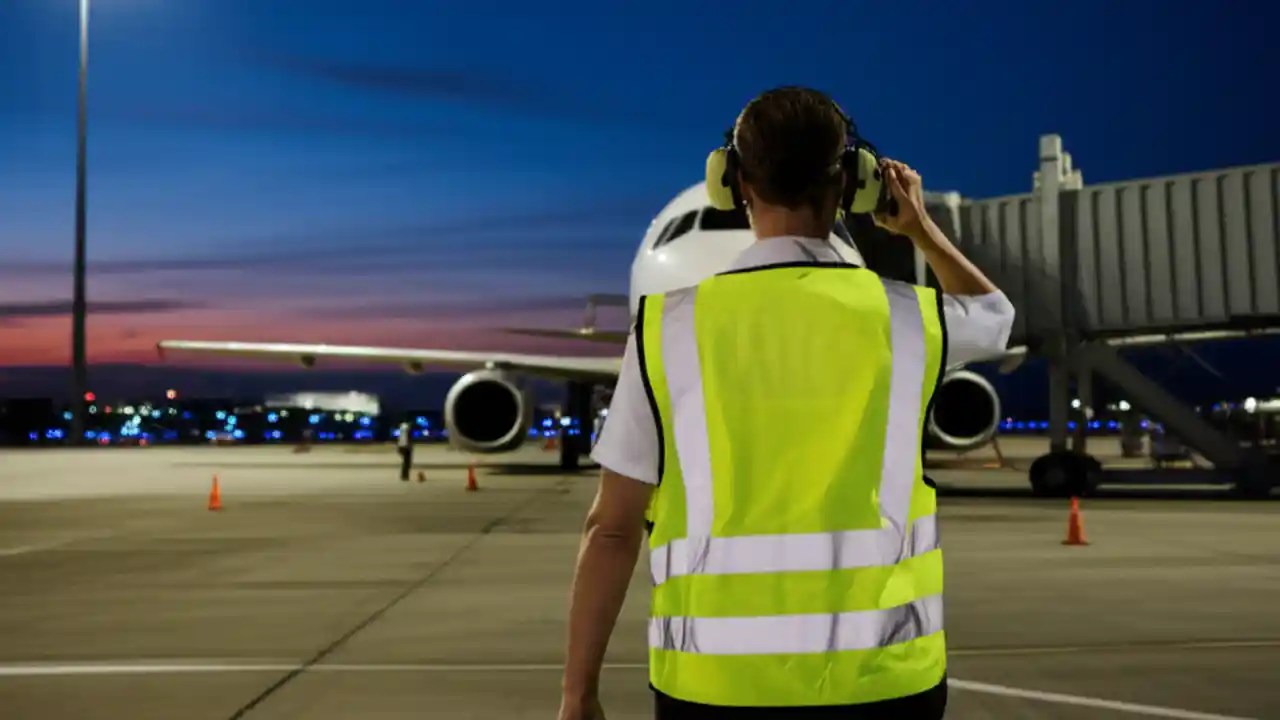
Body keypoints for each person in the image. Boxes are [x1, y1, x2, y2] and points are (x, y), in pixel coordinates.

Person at [559, 87, 1014, 719]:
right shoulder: (908, 319)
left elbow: (611, 529)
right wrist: (919, 227)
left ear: (734, 183)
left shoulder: (666, 331)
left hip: (713, 689)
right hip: (885, 682)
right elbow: (995, 318)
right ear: (854, 185)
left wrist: (577, 694)